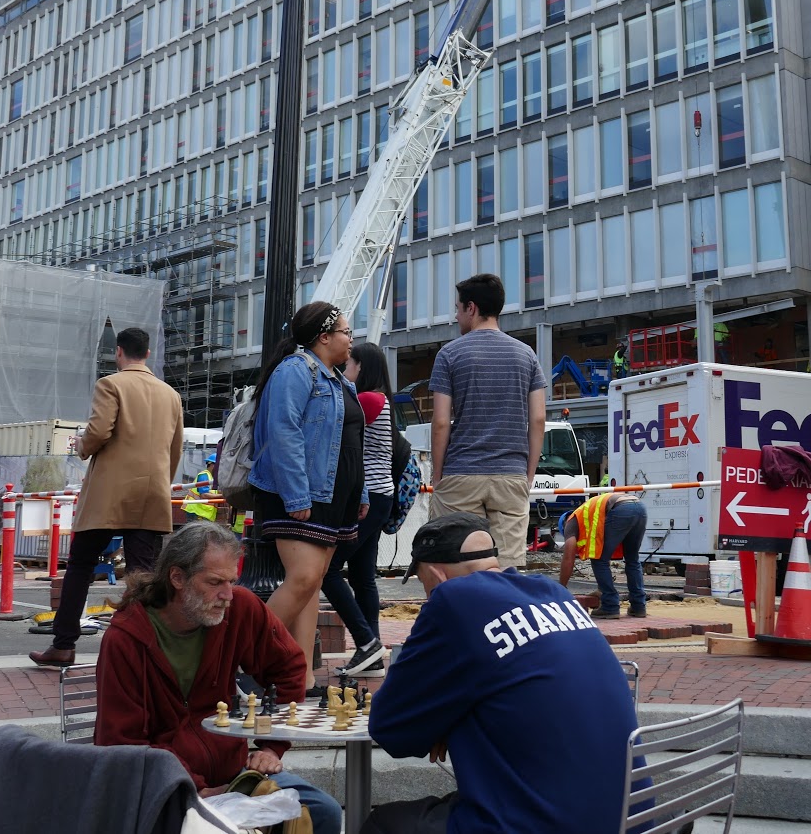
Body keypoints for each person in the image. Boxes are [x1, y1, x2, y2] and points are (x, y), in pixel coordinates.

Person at [363, 514, 639, 833]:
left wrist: (441, 720)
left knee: (382, 824)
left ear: (436, 577)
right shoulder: (555, 594)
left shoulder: (451, 599)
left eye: (425, 586)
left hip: (542, 823)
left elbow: (388, 728)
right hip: (625, 818)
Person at [94, 521, 342, 834]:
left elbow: (290, 667)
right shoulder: (126, 640)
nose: (227, 595)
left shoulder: (240, 609)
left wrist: (271, 747)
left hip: (235, 774)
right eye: (214, 582)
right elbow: (121, 744)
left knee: (324, 813)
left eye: (231, 581)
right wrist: (192, 788)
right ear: (177, 578)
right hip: (164, 788)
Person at [31, 327, 185, 668]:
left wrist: (83, 447)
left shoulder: (110, 385)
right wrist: (160, 480)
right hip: (150, 494)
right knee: (142, 575)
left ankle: (64, 644)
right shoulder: (170, 395)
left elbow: (99, 431)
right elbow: (175, 449)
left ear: (119, 352)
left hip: (108, 496)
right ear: (147, 353)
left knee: (81, 566)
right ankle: (140, 649)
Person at [248, 300, 366, 691]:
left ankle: (298, 679)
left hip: (333, 498)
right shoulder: (296, 371)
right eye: (347, 332)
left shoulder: (339, 379)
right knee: (302, 579)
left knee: (311, 586)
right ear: (324, 336)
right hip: (301, 496)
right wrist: (297, 496)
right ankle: (237, 659)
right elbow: (284, 433)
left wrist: (360, 491)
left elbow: (350, 442)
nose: (352, 339)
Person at [428, 274, 546, 569]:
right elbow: (539, 419)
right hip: (511, 475)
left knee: (452, 559)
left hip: (461, 473)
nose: (456, 316)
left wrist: (438, 475)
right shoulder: (527, 355)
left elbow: (441, 422)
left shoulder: (449, 354)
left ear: (471, 308)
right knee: (506, 566)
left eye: (457, 309)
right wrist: (528, 473)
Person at [321, 340, 397, 678]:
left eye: (348, 364)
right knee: (364, 576)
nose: (344, 369)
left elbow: (335, 427)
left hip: (368, 497)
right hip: (382, 495)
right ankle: (373, 652)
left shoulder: (366, 399)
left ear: (361, 367)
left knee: (329, 569)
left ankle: (366, 643)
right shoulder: (382, 399)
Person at [558, 491, 648, 620]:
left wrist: (561, 587)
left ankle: (610, 606)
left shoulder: (571, 522)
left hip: (622, 508)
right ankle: (639, 606)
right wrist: (601, 589)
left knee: (599, 559)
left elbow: (568, 558)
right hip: (639, 507)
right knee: (632, 560)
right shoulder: (587, 512)